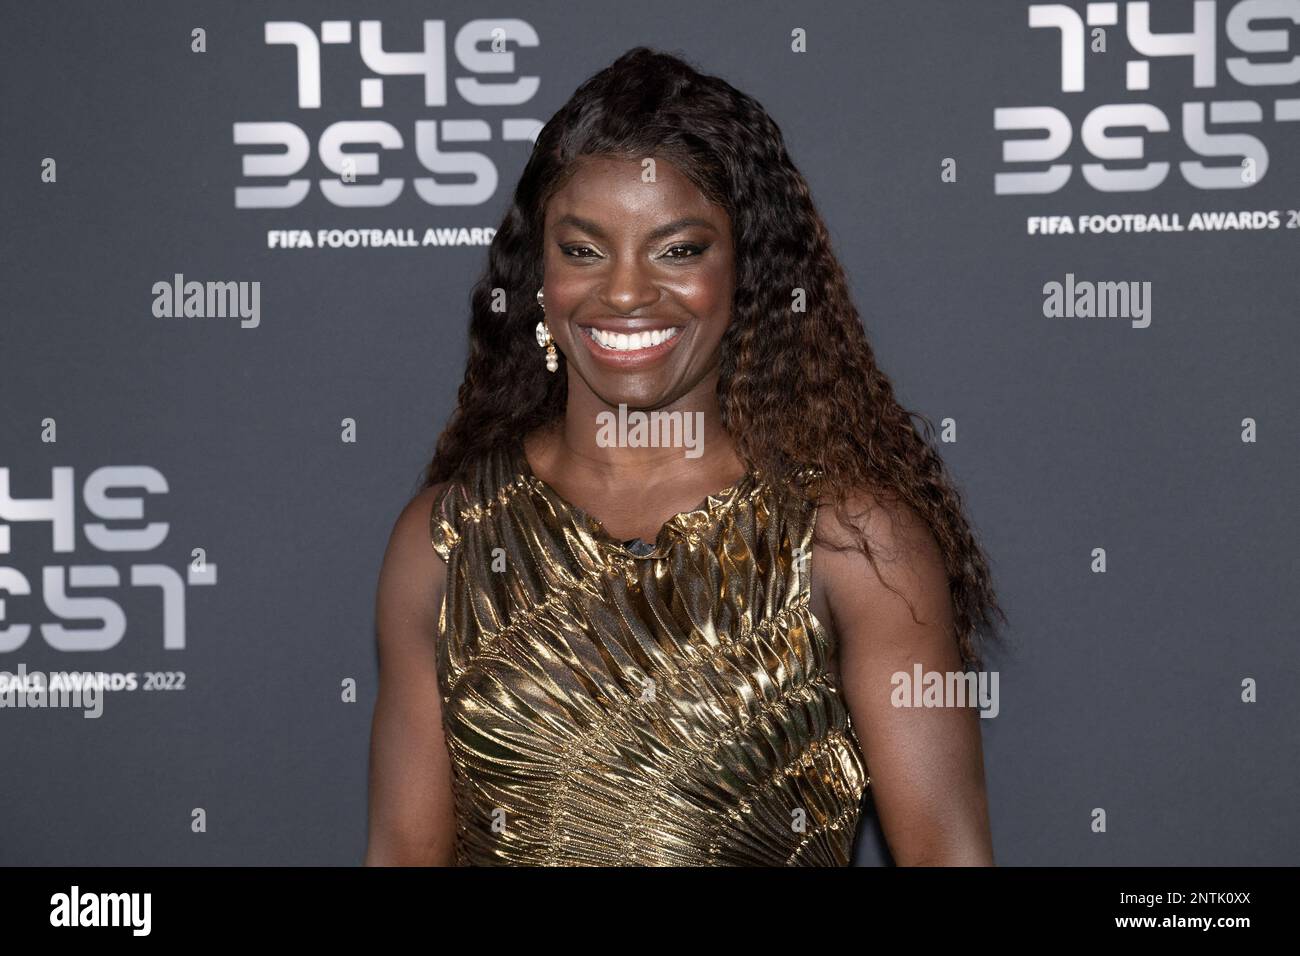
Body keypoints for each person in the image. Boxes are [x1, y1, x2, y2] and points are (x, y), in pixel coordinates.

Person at [365, 46, 1005, 866]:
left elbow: (950, 856)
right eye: (584, 250)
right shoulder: (443, 541)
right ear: (538, 279)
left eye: (678, 250)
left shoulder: (853, 541)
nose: (626, 293)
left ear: (746, 276)